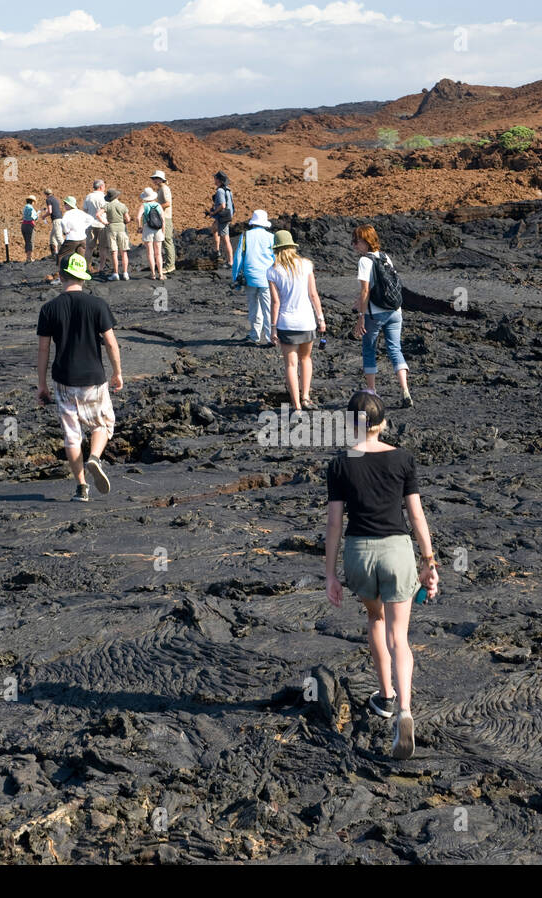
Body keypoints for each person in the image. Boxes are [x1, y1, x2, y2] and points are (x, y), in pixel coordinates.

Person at [325, 390, 439, 759]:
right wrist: (429, 562)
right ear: (383, 423)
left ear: (349, 424)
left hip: (360, 554)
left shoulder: (341, 463)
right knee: (399, 637)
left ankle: (386, 697)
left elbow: (334, 525)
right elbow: (417, 516)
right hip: (397, 552)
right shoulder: (403, 459)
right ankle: (404, 711)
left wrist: (330, 574)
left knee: (375, 618)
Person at [36, 252, 124, 502]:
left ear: (62, 275)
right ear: (83, 277)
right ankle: (94, 458)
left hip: (63, 379)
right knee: (104, 424)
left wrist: (42, 385)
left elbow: (43, 349)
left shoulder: (49, 309)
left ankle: (81, 488)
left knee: (72, 435)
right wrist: (117, 372)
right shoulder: (97, 305)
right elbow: (111, 343)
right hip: (93, 378)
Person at [266, 230, 326, 411]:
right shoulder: (306, 265)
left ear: (276, 249)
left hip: (286, 323)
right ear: (292, 247)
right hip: (307, 321)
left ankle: (297, 405)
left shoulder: (272, 271)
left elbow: (275, 303)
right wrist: (321, 318)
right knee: (306, 359)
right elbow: (313, 294)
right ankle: (306, 397)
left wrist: (273, 328)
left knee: (291, 365)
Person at [353, 225, 412, 407]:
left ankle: (372, 393)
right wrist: (358, 303)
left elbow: (365, 291)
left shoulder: (365, 261)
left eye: (357, 241)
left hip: (375, 313)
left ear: (366, 242)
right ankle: (405, 390)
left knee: (369, 349)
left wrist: (360, 316)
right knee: (395, 349)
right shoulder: (386, 257)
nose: (354, 245)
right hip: (395, 311)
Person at [232, 210, 274, 344]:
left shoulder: (245, 236)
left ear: (253, 223)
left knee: (253, 308)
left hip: (250, 277)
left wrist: (235, 278)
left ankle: (255, 335)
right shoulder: (271, 237)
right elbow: (275, 259)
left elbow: (239, 257)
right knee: (268, 309)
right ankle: (270, 337)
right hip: (267, 279)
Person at [57, 196, 97, 271]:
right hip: (82, 239)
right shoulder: (80, 212)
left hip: (72, 239)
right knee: (80, 258)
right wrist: (84, 227)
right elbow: (91, 219)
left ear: (69, 205)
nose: (64, 205)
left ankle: (60, 276)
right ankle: (81, 277)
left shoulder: (68, 213)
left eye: (65, 203)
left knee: (60, 256)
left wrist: (66, 231)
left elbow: (63, 222)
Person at [83, 180, 110, 277]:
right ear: (101, 187)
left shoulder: (88, 196)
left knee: (89, 248)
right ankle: (101, 268)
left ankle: (87, 267)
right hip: (102, 224)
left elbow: (85, 210)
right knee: (103, 248)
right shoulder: (104, 197)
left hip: (90, 224)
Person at [103, 188, 131, 281]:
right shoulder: (122, 206)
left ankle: (116, 273)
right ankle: (125, 273)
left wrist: (105, 222)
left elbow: (98, 214)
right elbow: (128, 219)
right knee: (124, 252)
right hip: (121, 229)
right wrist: (123, 222)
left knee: (114, 252)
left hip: (111, 229)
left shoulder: (107, 205)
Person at [207, 171, 234, 267]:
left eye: (215, 178)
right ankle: (216, 251)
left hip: (223, 218)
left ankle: (230, 262)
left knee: (225, 239)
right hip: (226, 216)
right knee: (214, 228)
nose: (214, 179)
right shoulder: (228, 190)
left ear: (218, 180)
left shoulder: (220, 191)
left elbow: (223, 205)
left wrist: (214, 212)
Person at [150, 170, 174, 274]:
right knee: (165, 241)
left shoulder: (164, 189)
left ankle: (170, 265)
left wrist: (156, 207)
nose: (154, 180)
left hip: (166, 218)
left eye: (155, 178)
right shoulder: (161, 189)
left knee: (167, 241)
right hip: (163, 218)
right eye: (153, 178)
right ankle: (169, 263)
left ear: (161, 179)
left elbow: (168, 203)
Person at [139, 187, 166, 281]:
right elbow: (163, 219)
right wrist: (163, 231)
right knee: (158, 253)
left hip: (147, 228)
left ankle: (153, 274)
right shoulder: (158, 205)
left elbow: (138, 217)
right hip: (158, 229)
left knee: (150, 252)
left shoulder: (144, 205)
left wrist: (139, 226)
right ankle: (161, 274)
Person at [42, 188, 64, 257]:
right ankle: (54, 253)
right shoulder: (55, 199)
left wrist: (44, 216)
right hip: (59, 218)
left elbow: (50, 211)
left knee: (58, 236)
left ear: (45, 194)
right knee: (52, 237)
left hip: (56, 220)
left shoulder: (48, 199)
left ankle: (65, 252)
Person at [21, 195, 39, 263]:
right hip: (29, 225)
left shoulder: (25, 207)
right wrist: (37, 216)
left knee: (27, 241)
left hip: (23, 225)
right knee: (30, 241)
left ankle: (28, 257)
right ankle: (29, 258)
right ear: (33, 202)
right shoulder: (31, 208)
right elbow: (34, 217)